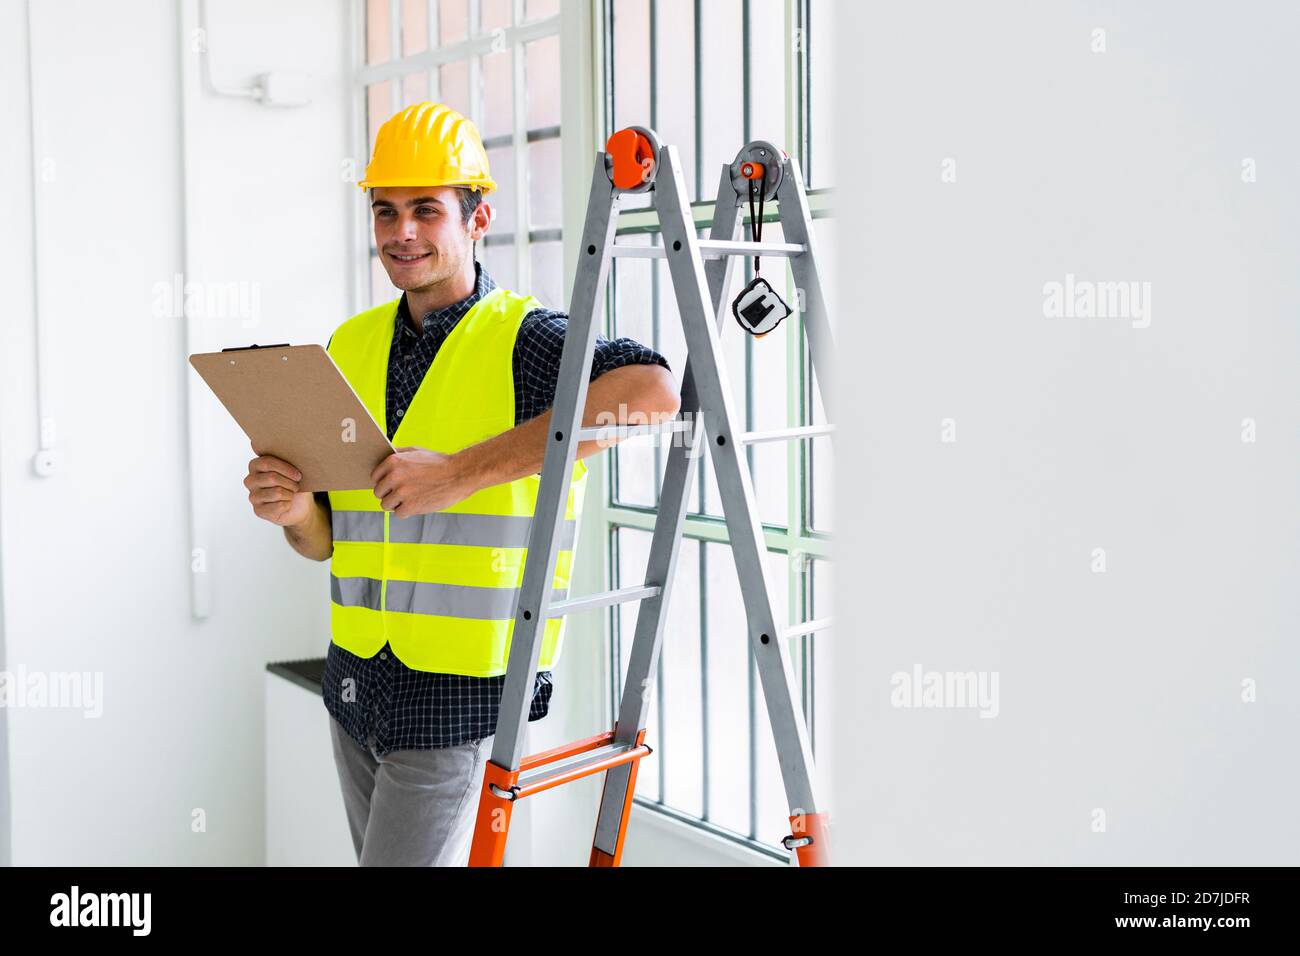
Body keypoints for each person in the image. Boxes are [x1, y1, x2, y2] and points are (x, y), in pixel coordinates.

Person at [244, 102, 679, 865]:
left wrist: (459, 474)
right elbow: (326, 543)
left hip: (456, 695)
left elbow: (652, 397)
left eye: (425, 210)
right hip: (353, 686)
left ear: (478, 219)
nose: (401, 232)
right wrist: (291, 511)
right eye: (385, 211)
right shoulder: (349, 345)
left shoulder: (523, 340)